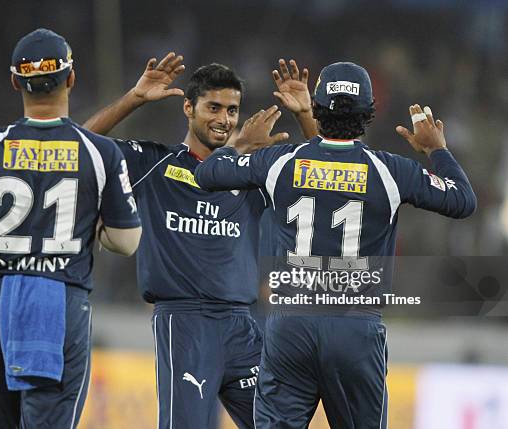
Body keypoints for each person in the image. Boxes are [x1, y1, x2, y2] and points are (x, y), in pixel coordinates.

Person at [194, 62, 476, 428]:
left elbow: (208, 174)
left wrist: (241, 144)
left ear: (318, 108)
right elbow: (462, 201)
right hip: (355, 328)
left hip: (290, 325)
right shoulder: (391, 171)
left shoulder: (279, 162)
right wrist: (436, 150)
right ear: (369, 114)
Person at [83, 56, 316, 428]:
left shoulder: (253, 172)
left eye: (232, 110)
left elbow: (326, 172)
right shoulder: (154, 164)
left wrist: (306, 114)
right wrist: (135, 98)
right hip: (185, 322)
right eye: (214, 108)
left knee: (282, 423)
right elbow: (77, 146)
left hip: (243, 326)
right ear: (188, 108)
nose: (224, 119)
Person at [0, 28, 141, 428]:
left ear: (15, 82)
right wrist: (90, 228)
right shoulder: (101, 152)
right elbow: (128, 242)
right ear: (72, 78)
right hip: (56, 303)